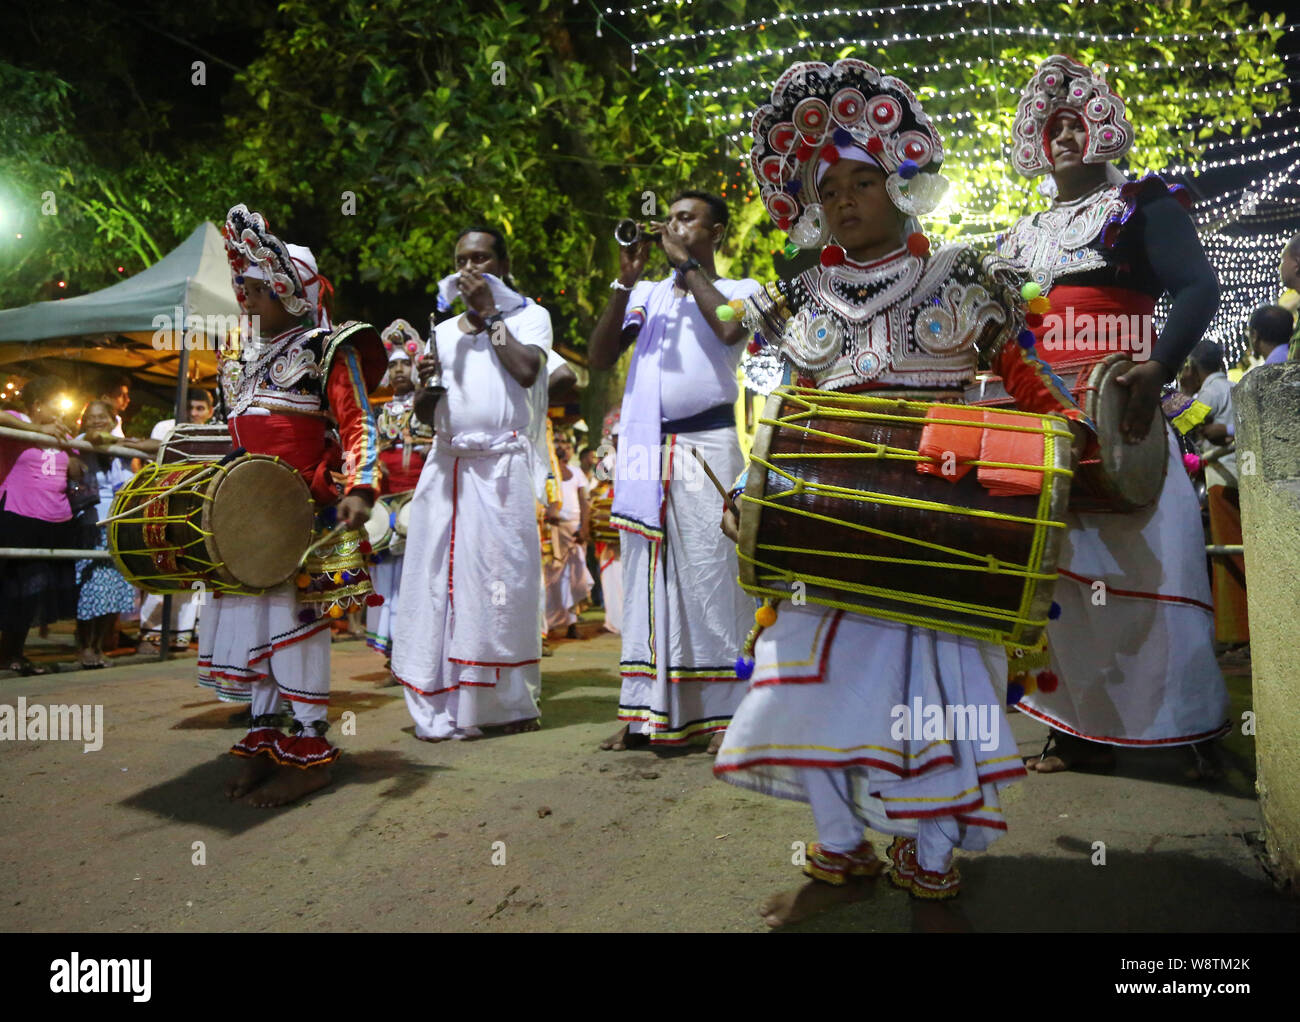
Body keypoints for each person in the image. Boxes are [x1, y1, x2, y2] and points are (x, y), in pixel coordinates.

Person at [713, 58, 1092, 924]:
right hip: (821, 527)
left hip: (943, 521)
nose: (844, 200)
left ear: (903, 183)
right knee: (801, 680)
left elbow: (1035, 384)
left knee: (938, 692)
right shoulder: (796, 298)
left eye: (862, 181)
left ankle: (928, 851)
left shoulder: (963, 276)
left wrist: (1067, 446)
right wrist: (746, 488)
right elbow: (769, 414)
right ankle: (840, 839)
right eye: (828, 188)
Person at [998, 54, 1229, 776]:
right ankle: (1077, 732)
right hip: (1049, 424)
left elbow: (1197, 288)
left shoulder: (1144, 204)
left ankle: (1185, 732)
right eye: (1052, 125)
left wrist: (1156, 367)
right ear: (1035, 137)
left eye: (1076, 122)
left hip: (1128, 417)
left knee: (1158, 573)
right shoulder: (1020, 235)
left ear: (1101, 127)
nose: (1063, 136)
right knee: (1063, 579)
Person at [200, 204, 385, 807]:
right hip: (244, 527)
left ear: (290, 290)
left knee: (294, 632)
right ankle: (264, 740)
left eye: (256, 285)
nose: (245, 296)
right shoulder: (238, 362)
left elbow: (359, 422)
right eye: (243, 285)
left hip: (302, 523)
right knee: (254, 632)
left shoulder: (327, 348)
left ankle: (310, 755)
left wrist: (360, 487)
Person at [589, 191, 760, 754]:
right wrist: (624, 280)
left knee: (712, 576)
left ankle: (725, 716)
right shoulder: (647, 295)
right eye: (672, 217)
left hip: (707, 444)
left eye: (687, 219)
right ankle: (647, 710)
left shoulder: (740, 291)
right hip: (645, 449)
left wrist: (686, 267)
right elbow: (599, 358)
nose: (673, 226)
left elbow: (731, 332)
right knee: (648, 577)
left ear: (716, 232)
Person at [392, 226, 552, 741]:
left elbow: (526, 372)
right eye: (462, 260)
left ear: (502, 264)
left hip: (502, 474)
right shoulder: (440, 333)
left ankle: (504, 705)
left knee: (503, 589)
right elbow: (427, 413)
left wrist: (490, 318)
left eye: (481, 258)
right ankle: (440, 697)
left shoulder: (530, 317)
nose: (470, 269)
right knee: (437, 584)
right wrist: (423, 387)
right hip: (447, 470)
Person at [0, 376, 82, 675]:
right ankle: (8, 653)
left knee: (33, 591)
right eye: (54, 405)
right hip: (19, 515)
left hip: (53, 518)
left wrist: (72, 443)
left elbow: (75, 471)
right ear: (36, 405)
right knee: (13, 587)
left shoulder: (60, 430)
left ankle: (13, 652)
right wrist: (39, 429)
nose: (59, 412)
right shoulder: (18, 421)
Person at [364, 320, 433, 667]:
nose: (399, 370)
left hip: (419, 507)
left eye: (405, 363)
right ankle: (393, 653)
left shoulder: (429, 408)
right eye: (393, 366)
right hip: (385, 508)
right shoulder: (377, 415)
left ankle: (413, 652)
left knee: (414, 582)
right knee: (387, 584)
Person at [74, 400, 156, 668]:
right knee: (90, 587)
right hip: (92, 521)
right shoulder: (81, 441)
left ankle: (99, 647)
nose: (96, 421)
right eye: (90, 417)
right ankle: (85, 646)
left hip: (119, 522)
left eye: (102, 417)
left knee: (116, 587)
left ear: (113, 420)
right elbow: (95, 438)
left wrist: (124, 443)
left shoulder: (119, 443)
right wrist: (113, 441)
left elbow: (156, 447)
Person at [139, 388, 215, 650]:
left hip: (196, 510)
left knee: (194, 568)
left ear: (209, 412)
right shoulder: (166, 427)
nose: (194, 413)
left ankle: (185, 632)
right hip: (163, 505)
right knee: (163, 563)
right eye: (190, 408)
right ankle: (152, 631)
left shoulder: (212, 432)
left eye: (199, 409)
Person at [1184, 340, 1247, 650]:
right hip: (1240, 476)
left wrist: (1180, 395)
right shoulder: (1234, 385)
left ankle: (1236, 633)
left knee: (1228, 555)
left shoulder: (1208, 392)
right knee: (1237, 551)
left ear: (1193, 368)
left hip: (1221, 478)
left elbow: (1182, 420)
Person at [544, 431, 593, 637]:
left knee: (575, 579)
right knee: (552, 579)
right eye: (557, 440)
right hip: (552, 531)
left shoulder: (576, 472)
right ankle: (547, 627)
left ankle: (572, 624)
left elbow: (585, 502)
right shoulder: (546, 471)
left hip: (575, 533)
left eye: (565, 442)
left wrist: (585, 528)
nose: (561, 445)